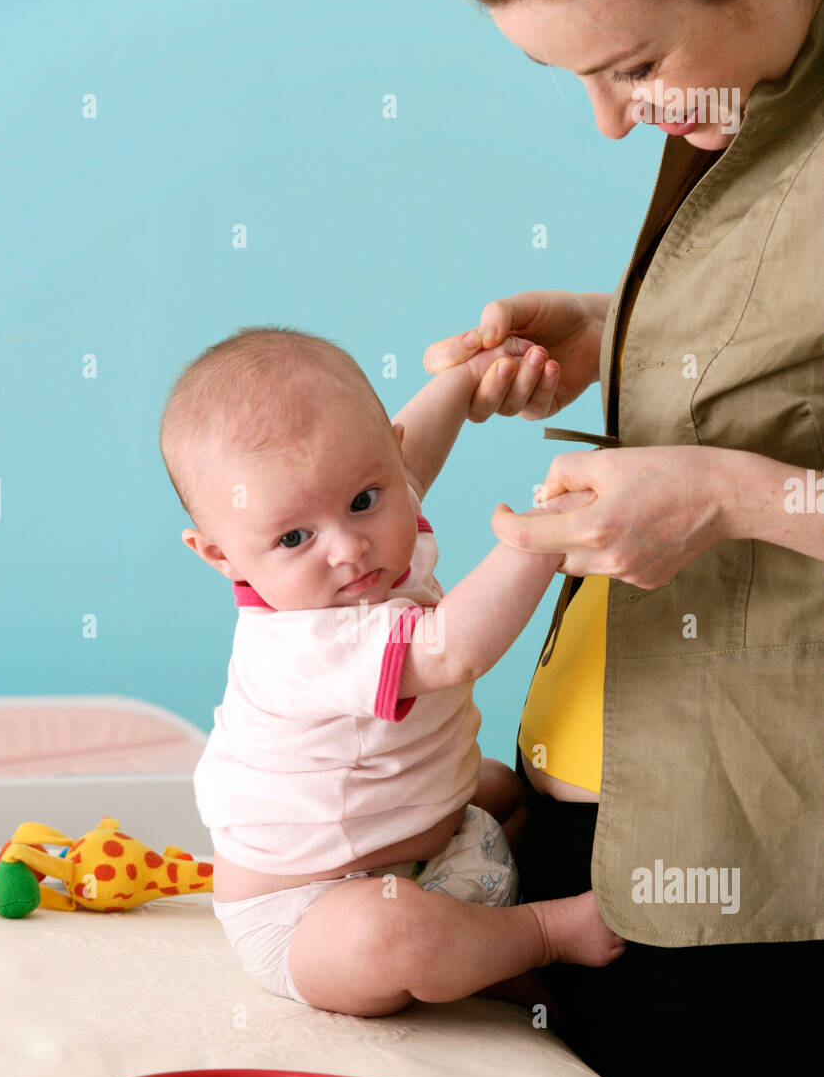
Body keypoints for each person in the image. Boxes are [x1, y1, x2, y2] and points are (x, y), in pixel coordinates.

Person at [420, 0, 824, 1077]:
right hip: (608, 844)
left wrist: (727, 493)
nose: (610, 123)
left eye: (631, 66)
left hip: (757, 891)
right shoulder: (745, 89)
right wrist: (616, 335)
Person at [159, 324, 625, 1016]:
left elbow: (403, 452)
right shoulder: (300, 641)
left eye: (364, 500)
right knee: (388, 933)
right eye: (293, 538)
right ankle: (535, 935)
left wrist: (465, 383)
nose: (348, 546)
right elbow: (448, 649)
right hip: (309, 912)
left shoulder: (366, 512)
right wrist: (540, 538)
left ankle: (468, 943)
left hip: (424, 836)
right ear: (221, 555)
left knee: (505, 786)